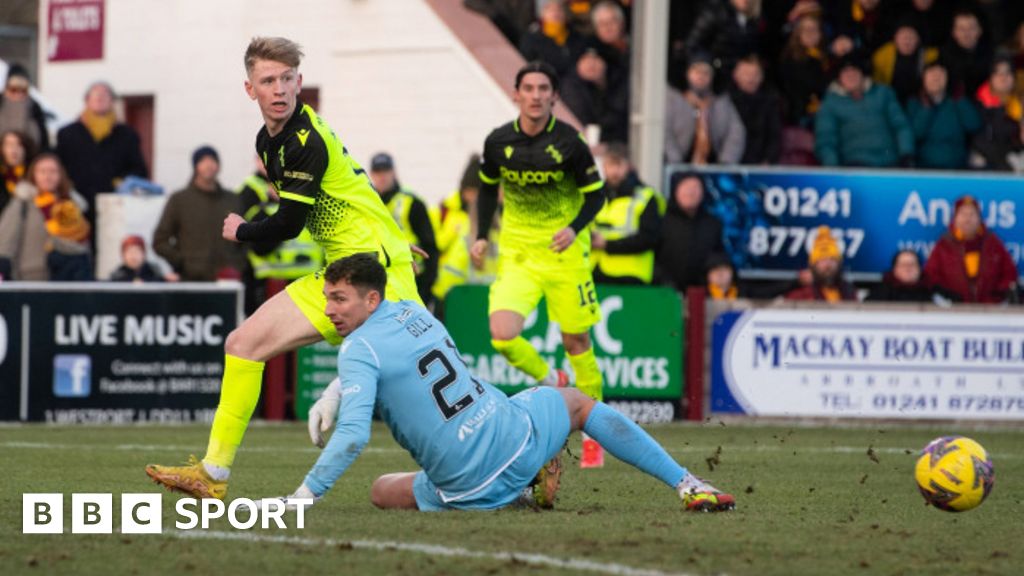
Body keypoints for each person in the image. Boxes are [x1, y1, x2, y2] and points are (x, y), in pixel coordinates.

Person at [145, 37, 421, 499]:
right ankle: (213, 473)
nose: (278, 89)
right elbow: (352, 185)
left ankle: (524, 451)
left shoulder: (303, 140)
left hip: (376, 275)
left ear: (299, 82)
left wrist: (242, 230)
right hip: (346, 271)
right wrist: (390, 233)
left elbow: (290, 223)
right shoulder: (268, 141)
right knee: (243, 344)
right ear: (249, 88)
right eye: (268, 80)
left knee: (423, 386)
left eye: (287, 79)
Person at [259, 253, 737, 513]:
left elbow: (354, 435)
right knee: (578, 403)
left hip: (467, 486)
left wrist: (302, 497)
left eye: (339, 299)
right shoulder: (414, 311)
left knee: (381, 490)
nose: (329, 310)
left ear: (370, 300)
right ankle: (688, 483)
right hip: (515, 435)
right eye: (328, 298)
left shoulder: (357, 350)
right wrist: (337, 389)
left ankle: (521, 493)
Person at [471, 61, 609, 468]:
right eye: (528, 88)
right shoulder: (498, 141)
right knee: (502, 335)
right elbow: (486, 189)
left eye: (543, 88)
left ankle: (595, 435)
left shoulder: (570, 143)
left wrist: (574, 228)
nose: (535, 95)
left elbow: (596, 196)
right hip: (519, 254)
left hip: (565, 255)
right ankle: (553, 380)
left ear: (554, 96)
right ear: (516, 94)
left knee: (576, 342)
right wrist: (482, 235)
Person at [235, 155, 324, 315]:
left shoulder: (308, 208)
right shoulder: (259, 209)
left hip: (307, 281)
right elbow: (257, 246)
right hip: (269, 284)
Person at [55, 81, 148, 222]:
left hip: (113, 204)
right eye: (95, 95)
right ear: (87, 100)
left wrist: (120, 182)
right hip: (77, 204)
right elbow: (58, 167)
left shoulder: (126, 134)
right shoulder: (67, 134)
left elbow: (139, 169)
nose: (100, 97)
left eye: (105, 95)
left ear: (112, 101)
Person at [152, 145, 246, 281]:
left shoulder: (232, 199)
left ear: (218, 166)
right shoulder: (179, 200)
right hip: (191, 281)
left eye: (212, 160)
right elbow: (160, 241)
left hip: (227, 280)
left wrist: (237, 264)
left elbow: (245, 237)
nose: (209, 165)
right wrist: (181, 262)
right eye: (203, 161)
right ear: (196, 166)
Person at [814, 53, 915, 167]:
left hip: (890, 163)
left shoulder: (883, 93)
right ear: (839, 78)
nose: (850, 75)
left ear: (862, 74)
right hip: (854, 165)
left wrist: (906, 154)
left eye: (854, 71)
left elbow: (901, 125)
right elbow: (826, 139)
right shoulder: (830, 103)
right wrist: (832, 167)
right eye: (845, 72)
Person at [368, 152, 439, 309]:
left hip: (412, 280)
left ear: (393, 172)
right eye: (377, 172)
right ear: (371, 175)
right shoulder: (367, 203)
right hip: (377, 281)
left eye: (386, 171)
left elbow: (430, 246)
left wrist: (428, 286)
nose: (382, 176)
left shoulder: (412, 202)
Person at [590, 142, 664, 285]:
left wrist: (608, 244)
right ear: (603, 166)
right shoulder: (594, 195)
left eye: (619, 165)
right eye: (610, 165)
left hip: (630, 276)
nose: (614, 171)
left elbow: (650, 238)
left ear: (628, 166)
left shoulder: (645, 196)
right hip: (593, 272)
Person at [923, 195, 1017, 304]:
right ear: (955, 218)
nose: (967, 219)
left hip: (990, 309)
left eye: (972, 214)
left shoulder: (993, 243)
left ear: (979, 218)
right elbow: (932, 277)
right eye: (963, 214)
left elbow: (1009, 274)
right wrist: (949, 297)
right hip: (953, 309)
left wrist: (997, 296)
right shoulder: (944, 245)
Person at [664, 54, 746, 165]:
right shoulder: (673, 99)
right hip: (677, 165)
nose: (701, 76)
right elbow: (664, 132)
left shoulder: (721, 101)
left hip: (714, 166)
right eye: (697, 71)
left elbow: (736, 133)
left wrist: (726, 162)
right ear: (687, 73)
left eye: (706, 73)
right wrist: (675, 162)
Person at [27, 153, 93, 281]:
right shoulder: (24, 203)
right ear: (33, 175)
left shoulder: (73, 203)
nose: (47, 176)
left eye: (53, 171)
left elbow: (84, 240)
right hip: (34, 274)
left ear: (61, 175)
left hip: (74, 271)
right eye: (42, 171)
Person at [905, 61, 982, 170]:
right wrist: (926, 108)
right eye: (932, 75)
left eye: (940, 75)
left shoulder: (956, 101)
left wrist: (960, 100)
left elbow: (974, 125)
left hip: (956, 167)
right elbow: (914, 134)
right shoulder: (914, 103)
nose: (936, 79)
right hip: (925, 167)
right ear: (923, 79)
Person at [655, 174, 725, 293]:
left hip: (702, 293)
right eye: (686, 187)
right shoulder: (660, 221)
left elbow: (717, 256)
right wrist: (664, 281)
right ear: (675, 190)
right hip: (664, 292)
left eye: (696, 188)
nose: (691, 193)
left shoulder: (712, 224)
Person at [684, 0, 765, 87]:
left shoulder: (753, 18)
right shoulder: (715, 12)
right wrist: (711, 66)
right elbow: (693, 45)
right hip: (717, 76)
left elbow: (750, 51)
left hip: (740, 78)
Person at [971, 56, 1023, 171]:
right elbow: (979, 142)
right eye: (998, 73)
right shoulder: (978, 105)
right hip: (987, 170)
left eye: (1008, 73)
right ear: (990, 78)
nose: (1003, 78)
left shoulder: (1019, 105)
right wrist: (1007, 160)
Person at [778, 12, 829, 128]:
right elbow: (812, 86)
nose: (810, 33)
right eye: (805, 29)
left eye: (814, 29)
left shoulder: (825, 56)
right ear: (798, 34)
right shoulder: (791, 58)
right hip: (803, 115)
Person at [729, 54, 782, 164]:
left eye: (755, 74)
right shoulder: (725, 102)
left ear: (762, 77)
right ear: (735, 75)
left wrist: (768, 161)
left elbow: (774, 136)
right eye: (746, 74)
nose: (751, 79)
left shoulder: (771, 102)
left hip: (760, 166)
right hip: (728, 165)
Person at [871, 23, 938, 105]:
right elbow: (877, 84)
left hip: (920, 102)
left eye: (911, 36)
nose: (907, 40)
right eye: (902, 36)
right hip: (890, 100)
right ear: (895, 38)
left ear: (918, 39)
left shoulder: (929, 56)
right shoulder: (882, 56)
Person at [518, 0, 588, 79]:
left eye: (559, 8)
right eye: (549, 8)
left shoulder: (576, 36)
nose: (555, 12)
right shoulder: (531, 39)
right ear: (542, 13)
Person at [785, 225, 857, 301]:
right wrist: (798, 282)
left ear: (839, 263)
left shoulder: (849, 292)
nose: (828, 265)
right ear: (813, 265)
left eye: (832, 259)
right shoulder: (801, 295)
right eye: (823, 260)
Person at [939, 10, 991, 98]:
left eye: (971, 28)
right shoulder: (943, 57)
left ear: (980, 31)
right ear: (954, 32)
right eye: (961, 28)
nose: (966, 33)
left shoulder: (991, 55)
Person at [0, 64, 49, 151]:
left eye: (23, 90)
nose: (18, 95)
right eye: (14, 90)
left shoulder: (34, 107)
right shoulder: (1, 103)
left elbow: (43, 138)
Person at [866, 250, 932, 302]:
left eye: (912, 264)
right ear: (895, 269)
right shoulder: (881, 292)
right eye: (903, 265)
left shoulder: (930, 290)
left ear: (920, 269)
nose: (908, 268)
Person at [110, 235, 174, 283]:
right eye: (129, 252)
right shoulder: (117, 275)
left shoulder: (154, 271)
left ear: (144, 254)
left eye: (137, 251)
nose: (133, 256)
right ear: (123, 255)